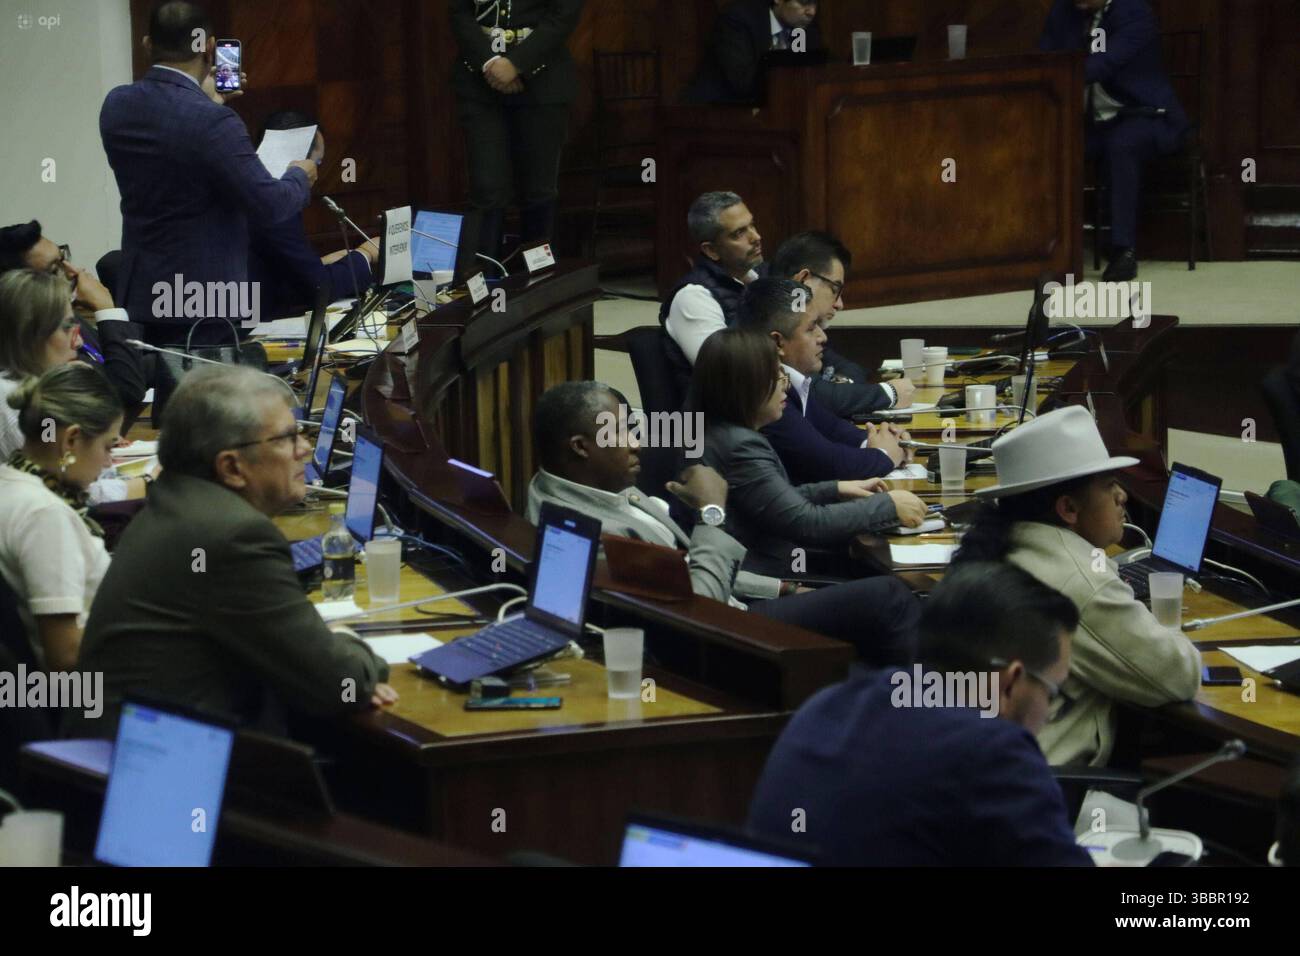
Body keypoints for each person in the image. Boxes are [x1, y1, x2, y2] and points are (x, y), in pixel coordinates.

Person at [69, 364, 394, 737]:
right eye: (288, 438)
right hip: (163, 771)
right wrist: (353, 643)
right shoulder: (232, 537)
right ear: (231, 467)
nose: (305, 449)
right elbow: (340, 684)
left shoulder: (176, 502)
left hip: (130, 747)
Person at [526, 381, 921, 665]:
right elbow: (698, 610)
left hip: (739, 597)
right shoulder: (592, 525)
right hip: (722, 636)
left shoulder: (577, 487)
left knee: (876, 605)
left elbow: (678, 568)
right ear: (579, 447)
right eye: (620, 432)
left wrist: (778, 588)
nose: (637, 442)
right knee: (888, 598)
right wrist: (710, 515)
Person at [747, 561, 1093, 866]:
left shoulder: (828, 703)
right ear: (1009, 683)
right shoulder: (992, 751)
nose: (1048, 713)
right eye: (1052, 692)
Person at [953, 405, 1201, 766]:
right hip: (1040, 799)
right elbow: (1180, 676)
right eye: (1109, 486)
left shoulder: (997, 544)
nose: (1123, 497)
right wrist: (1168, 626)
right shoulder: (1081, 582)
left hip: (976, 782)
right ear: (1068, 508)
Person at [100, 0, 317, 345]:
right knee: (208, 396)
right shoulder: (213, 123)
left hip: (142, 296)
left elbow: (174, 158)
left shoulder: (117, 104)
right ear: (210, 47)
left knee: (166, 395)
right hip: (205, 302)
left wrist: (209, 103)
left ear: (147, 45)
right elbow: (270, 205)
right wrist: (300, 176)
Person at [694, 326, 927, 576]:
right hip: (772, 576)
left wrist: (834, 489)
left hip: (779, 561)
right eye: (777, 376)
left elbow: (771, 501)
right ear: (747, 385)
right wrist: (888, 506)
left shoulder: (723, 432)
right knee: (893, 594)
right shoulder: (741, 446)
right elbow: (807, 522)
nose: (786, 386)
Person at [1039, 0, 1189, 282]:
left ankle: (1124, 251)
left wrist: (1057, 74)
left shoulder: (1136, 11)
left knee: (1121, 145)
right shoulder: (1064, 11)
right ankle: (1051, 248)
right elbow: (1045, 57)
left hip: (1144, 115)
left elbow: (1103, 63)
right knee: (1051, 143)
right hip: (1093, 121)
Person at [0, 365, 122, 672]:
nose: (109, 461)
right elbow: (65, 657)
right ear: (71, 441)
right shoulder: (45, 515)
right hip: (86, 701)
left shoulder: (10, 482)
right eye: (108, 446)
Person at [736, 277, 908, 483]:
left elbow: (832, 428)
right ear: (777, 342)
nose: (823, 337)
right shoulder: (765, 394)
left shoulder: (789, 380)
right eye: (810, 328)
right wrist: (884, 454)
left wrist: (884, 439)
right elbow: (827, 464)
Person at [449, 0, 584, 260]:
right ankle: (484, 285)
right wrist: (489, 62)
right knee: (487, 189)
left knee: (538, 190)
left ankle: (538, 283)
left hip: (543, 80)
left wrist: (516, 64)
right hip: (479, 82)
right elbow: (459, 11)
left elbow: (564, 13)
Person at [0, 220, 166, 427]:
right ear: (20, 287)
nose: (73, 271)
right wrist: (107, 309)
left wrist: (183, 362)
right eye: (55, 269)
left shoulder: (67, 317)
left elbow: (121, 368)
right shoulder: (34, 342)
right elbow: (125, 391)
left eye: (64, 258)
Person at [0, 270, 147, 503]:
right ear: (31, 332)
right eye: (68, 328)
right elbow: (57, 484)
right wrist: (148, 483)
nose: (78, 341)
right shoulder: (13, 403)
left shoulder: (38, 388)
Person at [769, 230, 916, 416]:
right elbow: (812, 396)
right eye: (835, 289)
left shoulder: (805, 329)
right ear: (803, 281)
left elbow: (851, 369)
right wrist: (890, 393)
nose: (840, 304)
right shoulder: (766, 324)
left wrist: (840, 386)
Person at [247, 111, 378, 321]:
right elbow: (318, 289)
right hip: (250, 329)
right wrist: (365, 254)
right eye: (317, 163)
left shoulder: (247, 187)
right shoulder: (277, 207)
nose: (316, 175)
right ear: (299, 161)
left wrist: (321, 264)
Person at [660, 191, 764, 395]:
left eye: (752, 225)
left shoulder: (761, 279)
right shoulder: (693, 298)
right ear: (711, 251)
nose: (756, 237)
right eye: (739, 233)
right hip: (720, 418)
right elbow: (724, 374)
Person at [685, 1, 823, 104]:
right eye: (804, 2)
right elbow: (742, 81)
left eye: (815, 3)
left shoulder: (805, 31)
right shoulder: (739, 20)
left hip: (773, 113)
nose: (812, 11)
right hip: (714, 113)